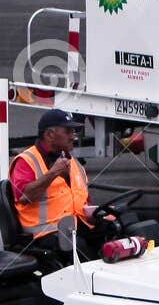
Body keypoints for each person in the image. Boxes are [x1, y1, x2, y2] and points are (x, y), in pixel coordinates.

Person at [8, 109, 148, 261]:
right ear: (50, 135)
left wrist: (99, 213)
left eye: (73, 131)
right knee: (80, 247)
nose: (73, 136)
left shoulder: (75, 164)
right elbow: (24, 196)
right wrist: (53, 173)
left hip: (77, 226)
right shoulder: (27, 161)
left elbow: (84, 201)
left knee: (123, 226)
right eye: (68, 131)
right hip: (44, 233)